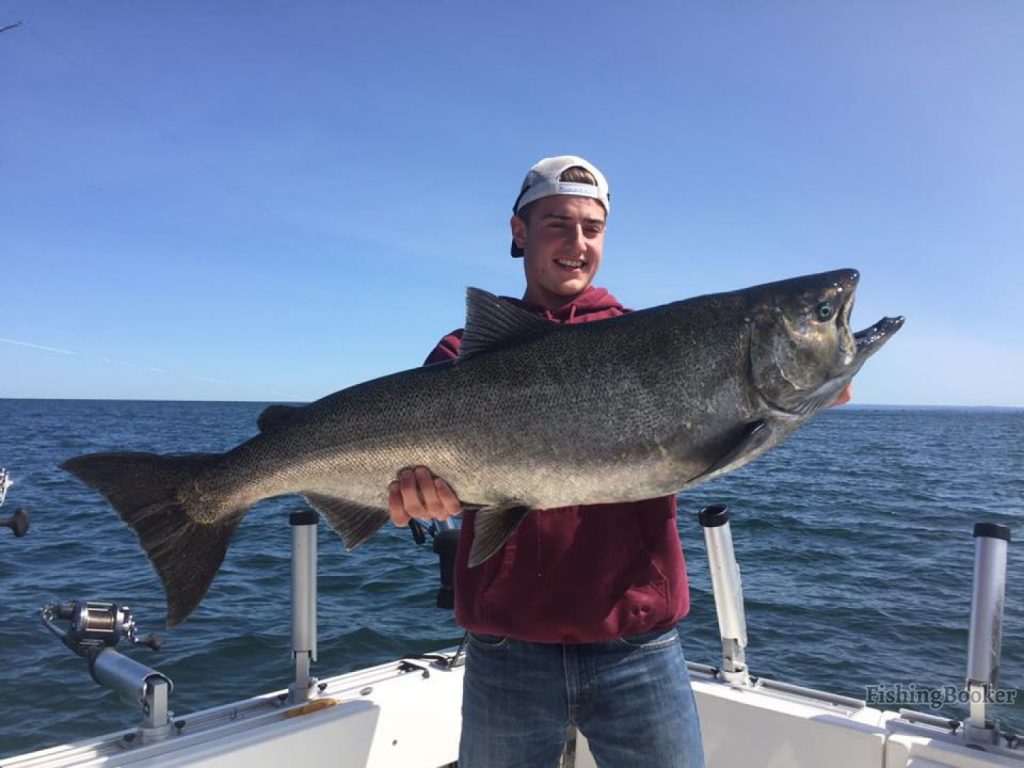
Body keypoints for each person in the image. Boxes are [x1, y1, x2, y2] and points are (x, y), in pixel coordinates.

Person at [387, 155, 708, 767]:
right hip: (508, 649)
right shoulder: (460, 356)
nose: (577, 243)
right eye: (558, 223)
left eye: (593, 228)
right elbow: (413, 485)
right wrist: (415, 504)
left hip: (637, 645)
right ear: (519, 232)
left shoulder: (650, 347)